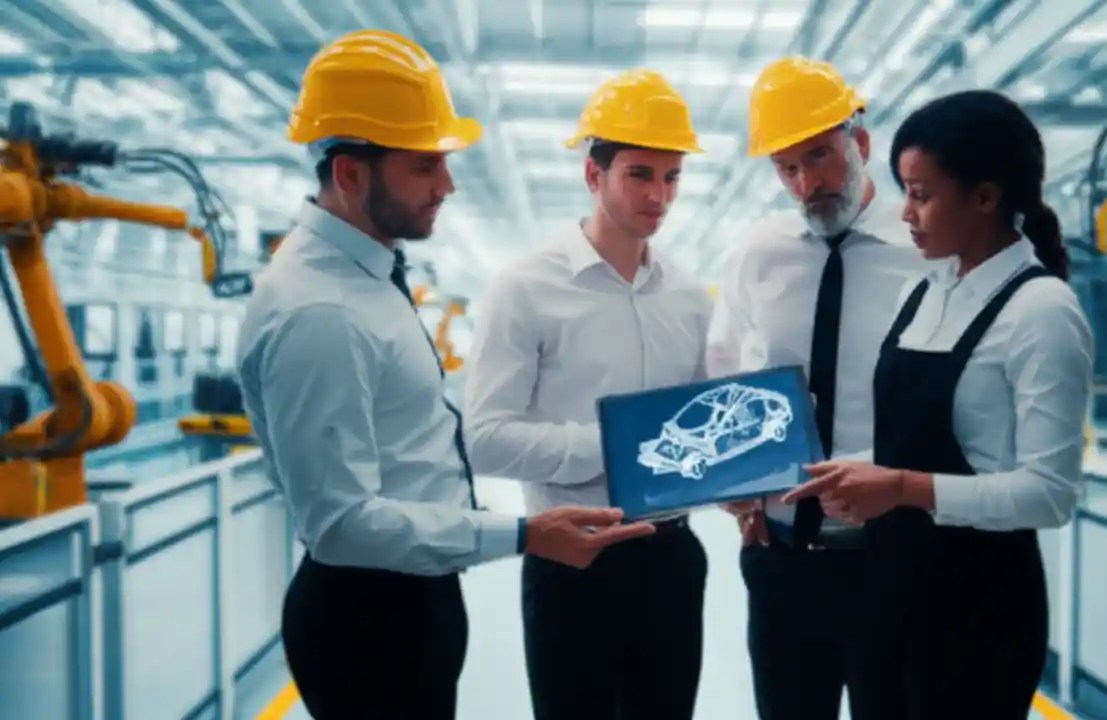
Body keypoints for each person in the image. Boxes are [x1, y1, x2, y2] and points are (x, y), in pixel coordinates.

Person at [235, 31, 655, 719]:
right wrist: (524, 534)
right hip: (370, 619)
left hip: (408, 596)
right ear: (350, 174)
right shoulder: (322, 312)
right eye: (425, 166)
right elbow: (341, 523)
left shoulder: (365, 276)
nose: (448, 186)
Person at [784, 89, 1094, 718]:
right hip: (889, 597)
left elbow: (1049, 494)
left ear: (986, 196)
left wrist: (900, 487)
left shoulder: (1040, 311)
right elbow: (913, 443)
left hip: (978, 615)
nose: (905, 213)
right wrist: (849, 471)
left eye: (921, 195)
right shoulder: (925, 293)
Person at [464, 69, 713, 720]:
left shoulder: (689, 297)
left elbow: (700, 427)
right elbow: (484, 438)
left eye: (672, 177)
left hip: (672, 557)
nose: (659, 195)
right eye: (639, 174)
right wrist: (619, 445)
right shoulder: (525, 290)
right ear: (592, 174)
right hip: (573, 560)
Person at [707, 56, 933, 720]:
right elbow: (725, 378)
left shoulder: (924, 249)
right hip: (783, 562)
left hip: (896, 560)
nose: (808, 184)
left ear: (859, 142)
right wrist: (731, 481)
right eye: (787, 169)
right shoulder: (757, 254)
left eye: (820, 157)